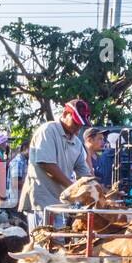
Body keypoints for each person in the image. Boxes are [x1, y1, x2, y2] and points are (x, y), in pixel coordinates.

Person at [18, 98, 91, 229]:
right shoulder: (48, 130)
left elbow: (85, 174)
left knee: (59, 245)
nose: (78, 126)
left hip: (61, 203)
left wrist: (102, 191)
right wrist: (74, 188)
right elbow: (47, 165)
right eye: (76, 122)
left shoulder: (77, 143)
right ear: (64, 114)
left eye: (81, 124)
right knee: (42, 245)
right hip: (42, 202)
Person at [7, 141, 29, 207]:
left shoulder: (24, 161)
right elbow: (15, 183)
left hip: (19, 201)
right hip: (16, 202)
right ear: (25, 148)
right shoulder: (18, 162)